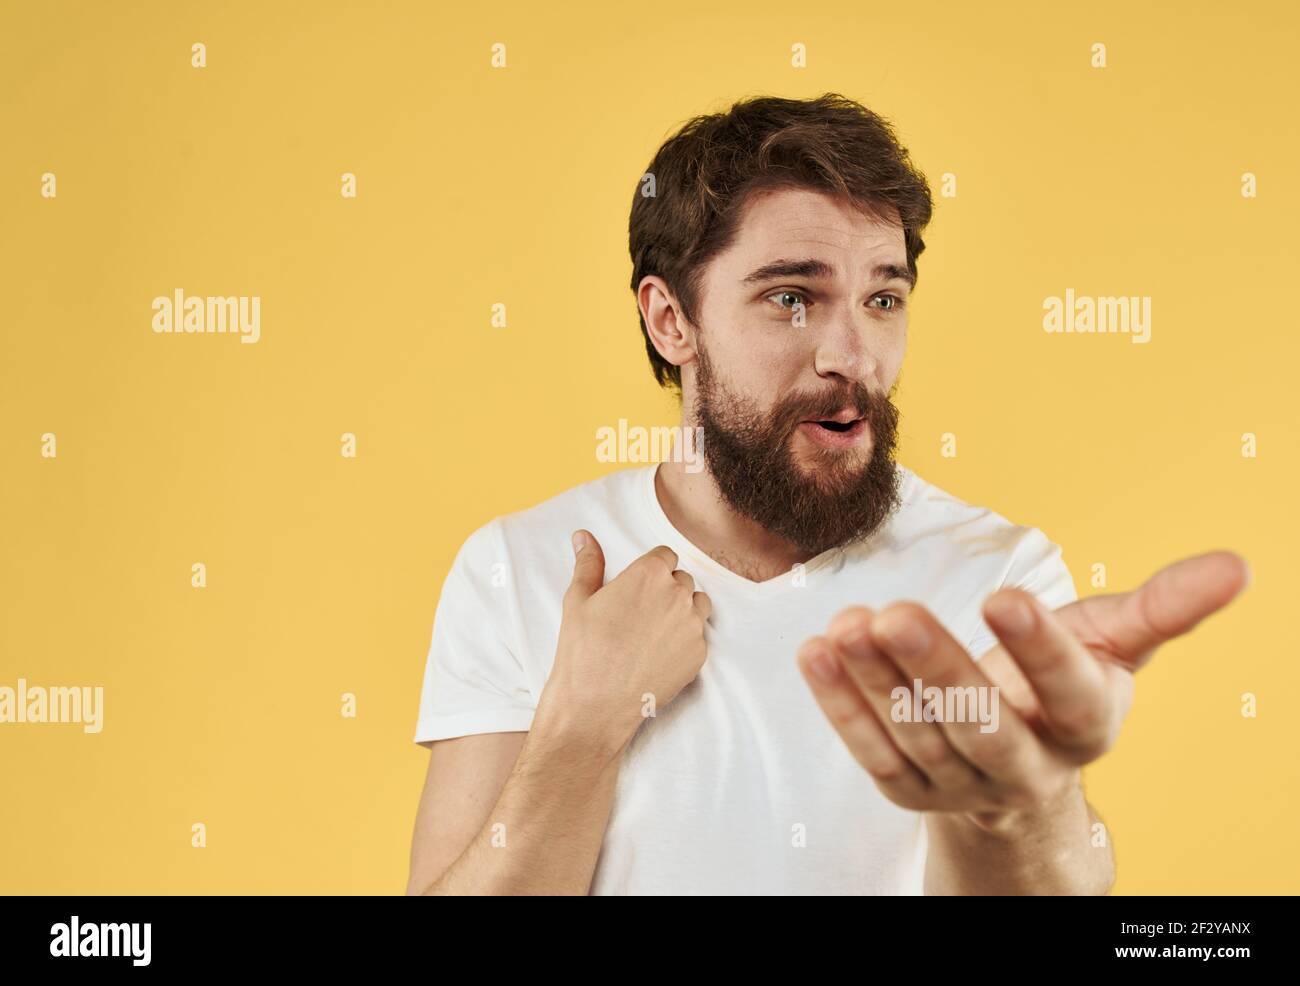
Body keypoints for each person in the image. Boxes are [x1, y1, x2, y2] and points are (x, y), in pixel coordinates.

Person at [405, 93, 1249, 895]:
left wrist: (1017, 807)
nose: (853, 354)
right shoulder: (519, 569)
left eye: (883, 298)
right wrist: (582, 727)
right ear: (671, 321)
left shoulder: (997, 582)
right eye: (792, 298)